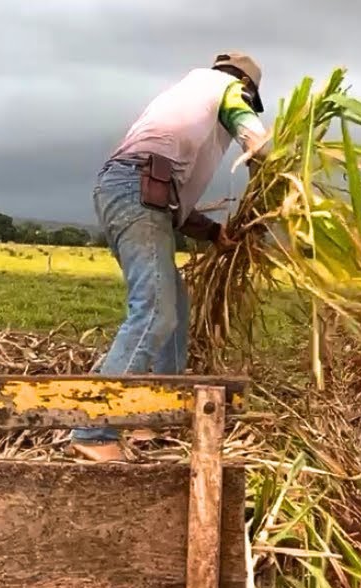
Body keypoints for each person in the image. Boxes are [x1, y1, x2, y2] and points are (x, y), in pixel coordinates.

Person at [70, 52, 271, 462]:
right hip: (135, 192)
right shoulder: (227, 90)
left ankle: (156, 414)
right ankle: (93, 429)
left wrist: (216, 233)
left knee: (175, 307)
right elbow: (259, 145)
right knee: (156, 310)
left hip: (136, 193)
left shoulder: (185, 97)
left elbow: (168, 200)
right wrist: (285, 173)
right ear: (246, 88)